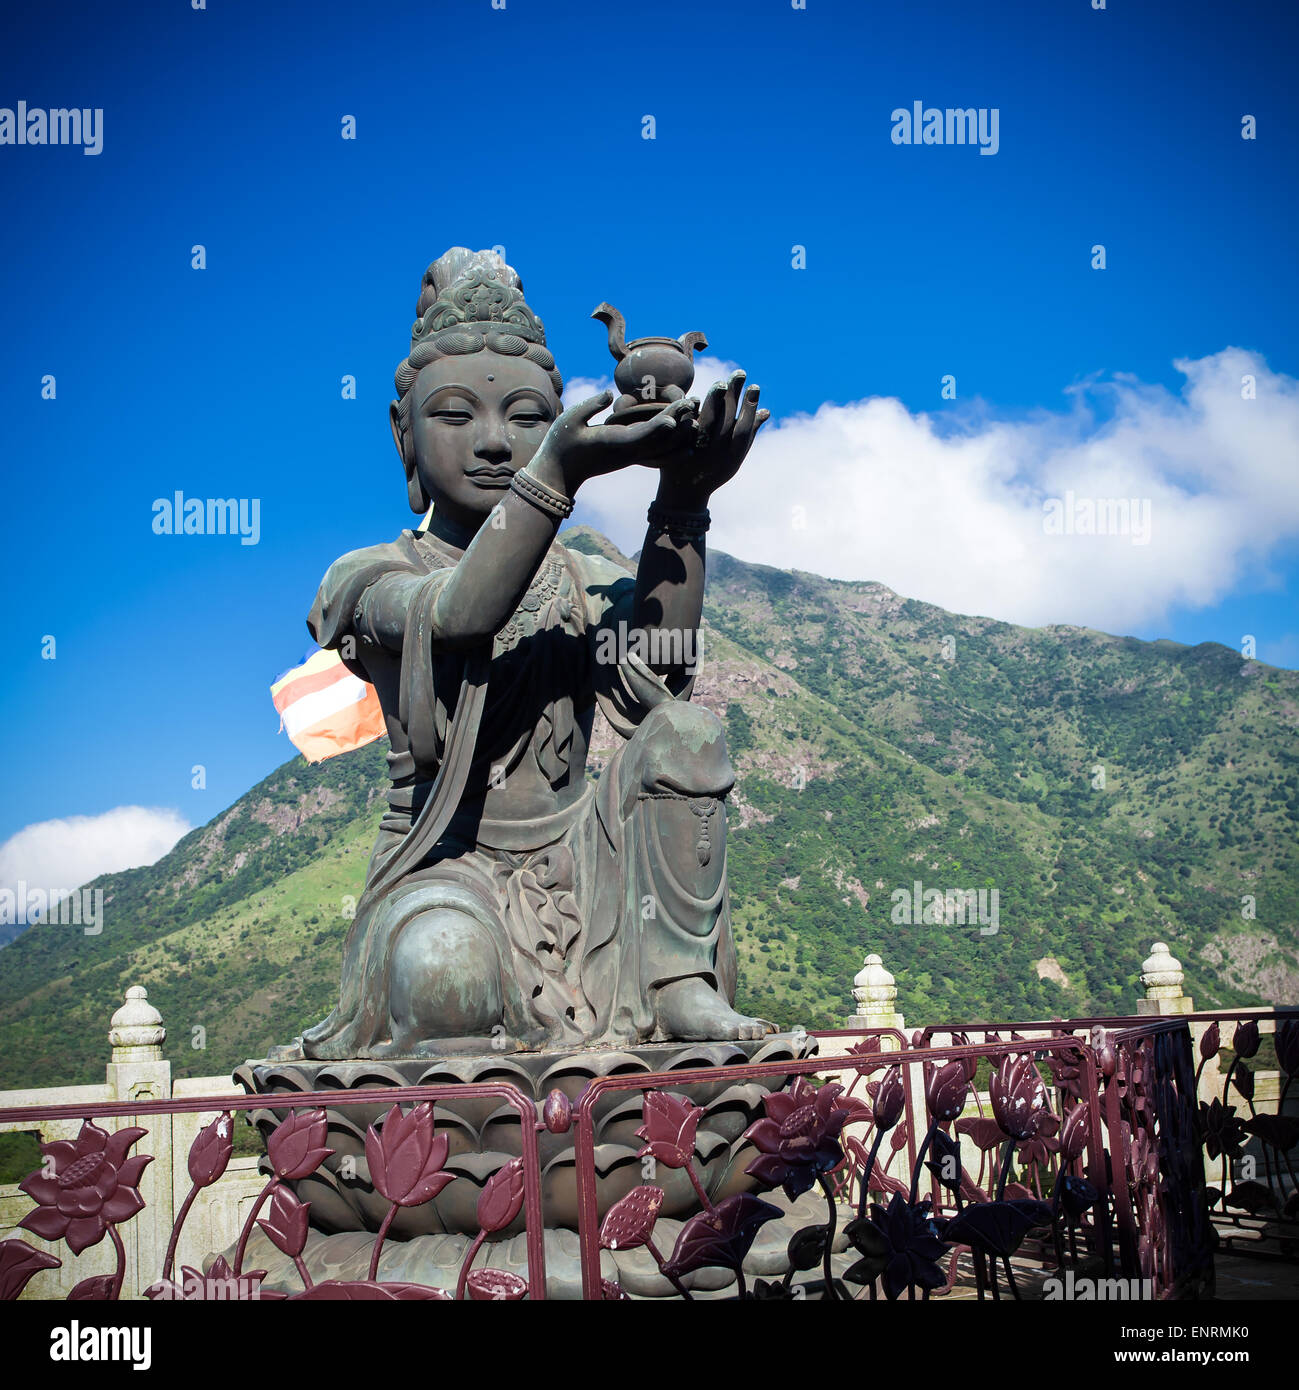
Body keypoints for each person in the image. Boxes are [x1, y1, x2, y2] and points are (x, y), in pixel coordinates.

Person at [282, 248, 772, 1059]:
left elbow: (665, 658)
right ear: (403, 433)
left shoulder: (580, 574)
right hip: (447, 870)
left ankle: (675, 980)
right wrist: (555, 473)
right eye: (453, 416)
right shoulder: (371, 576)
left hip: (588, 857)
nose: (493, 443)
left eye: (525, 418)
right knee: (447, 977)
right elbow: (460, 616)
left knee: (686, 729)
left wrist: (682, 502)